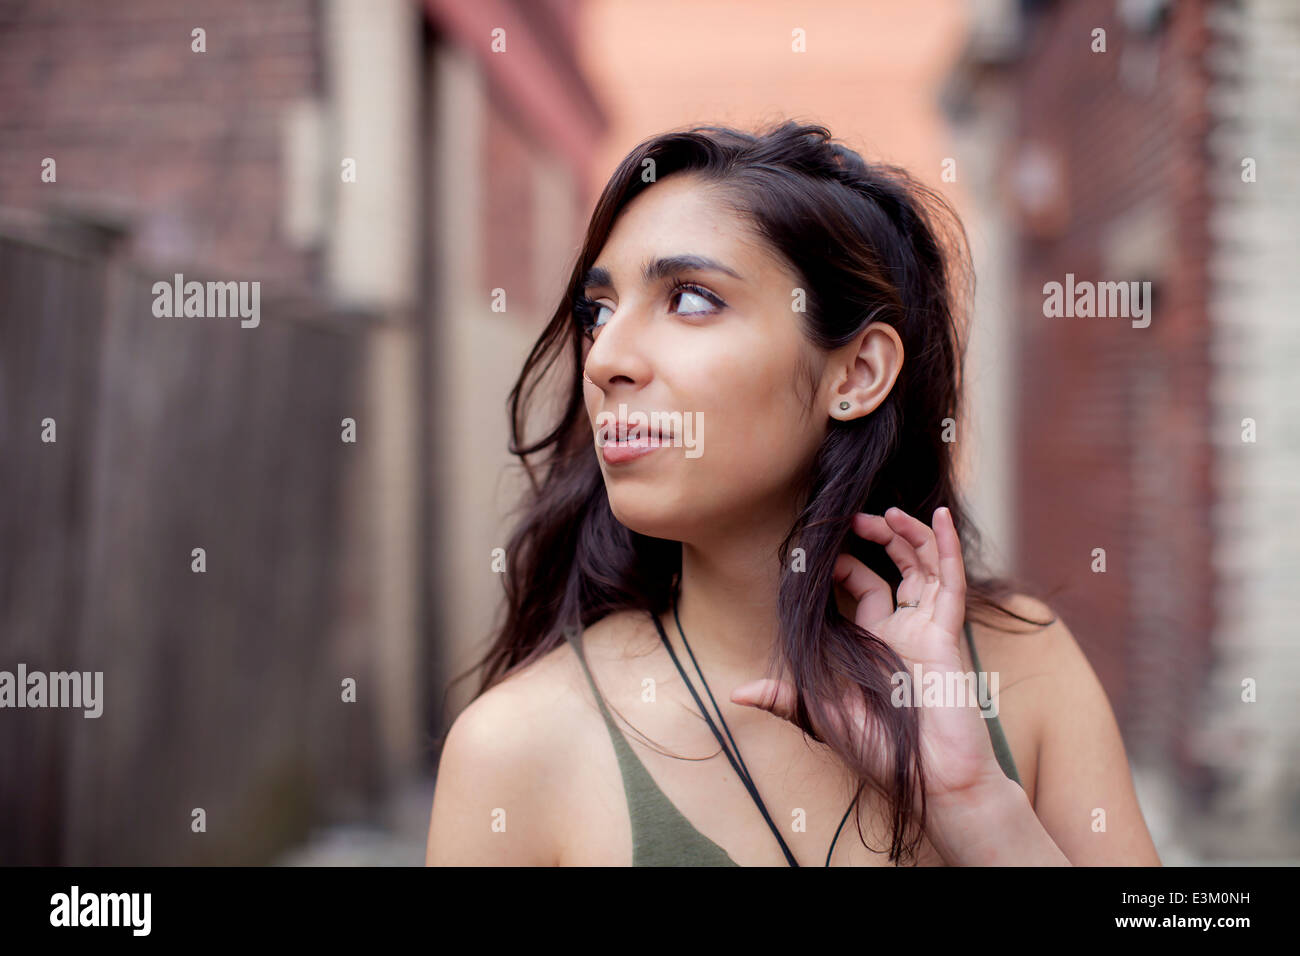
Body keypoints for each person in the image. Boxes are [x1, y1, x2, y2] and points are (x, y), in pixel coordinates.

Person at [425, 121, 1161, 866]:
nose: (606, 358)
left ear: (857, 374)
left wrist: (972, 805)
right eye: (598, 311)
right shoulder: (519, 751)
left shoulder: (1022, 671)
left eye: (690, 299)